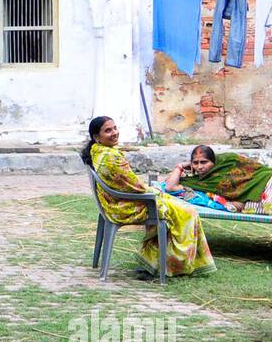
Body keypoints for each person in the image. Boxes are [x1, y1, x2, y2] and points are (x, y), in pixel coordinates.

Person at [81, 116, 215, 279]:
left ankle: (152, 263)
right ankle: (177, 265)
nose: (114, 133)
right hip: (122, 207)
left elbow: (129, 184)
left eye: (115, 128)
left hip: (114, 203)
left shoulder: (98, 151)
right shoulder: (110, 157)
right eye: (108, 130)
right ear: (97, 137)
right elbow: (135, 187)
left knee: (174, 205)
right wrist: (156, 192)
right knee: (188, 212)